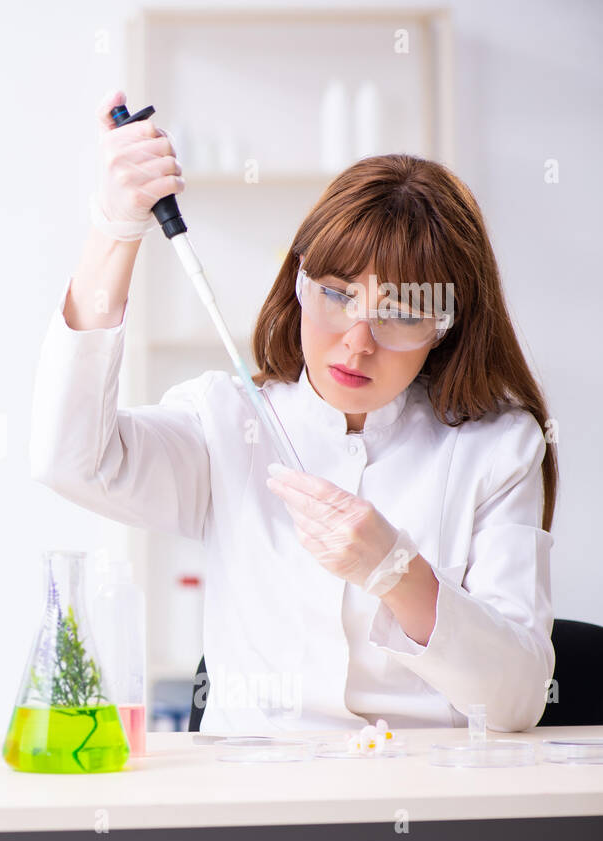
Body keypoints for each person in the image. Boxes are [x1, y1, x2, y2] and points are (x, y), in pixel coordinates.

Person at [30, 92, 555, 735]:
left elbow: (519, 699)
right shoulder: (224, 422)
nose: (358, 340)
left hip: (424, 796)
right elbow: (67, 460)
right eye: (336, 294)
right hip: (254, 803)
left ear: (446, 327)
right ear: (299, 284)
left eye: (401, 313)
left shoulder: (498, 447)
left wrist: (396, 569)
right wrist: (114, 230)